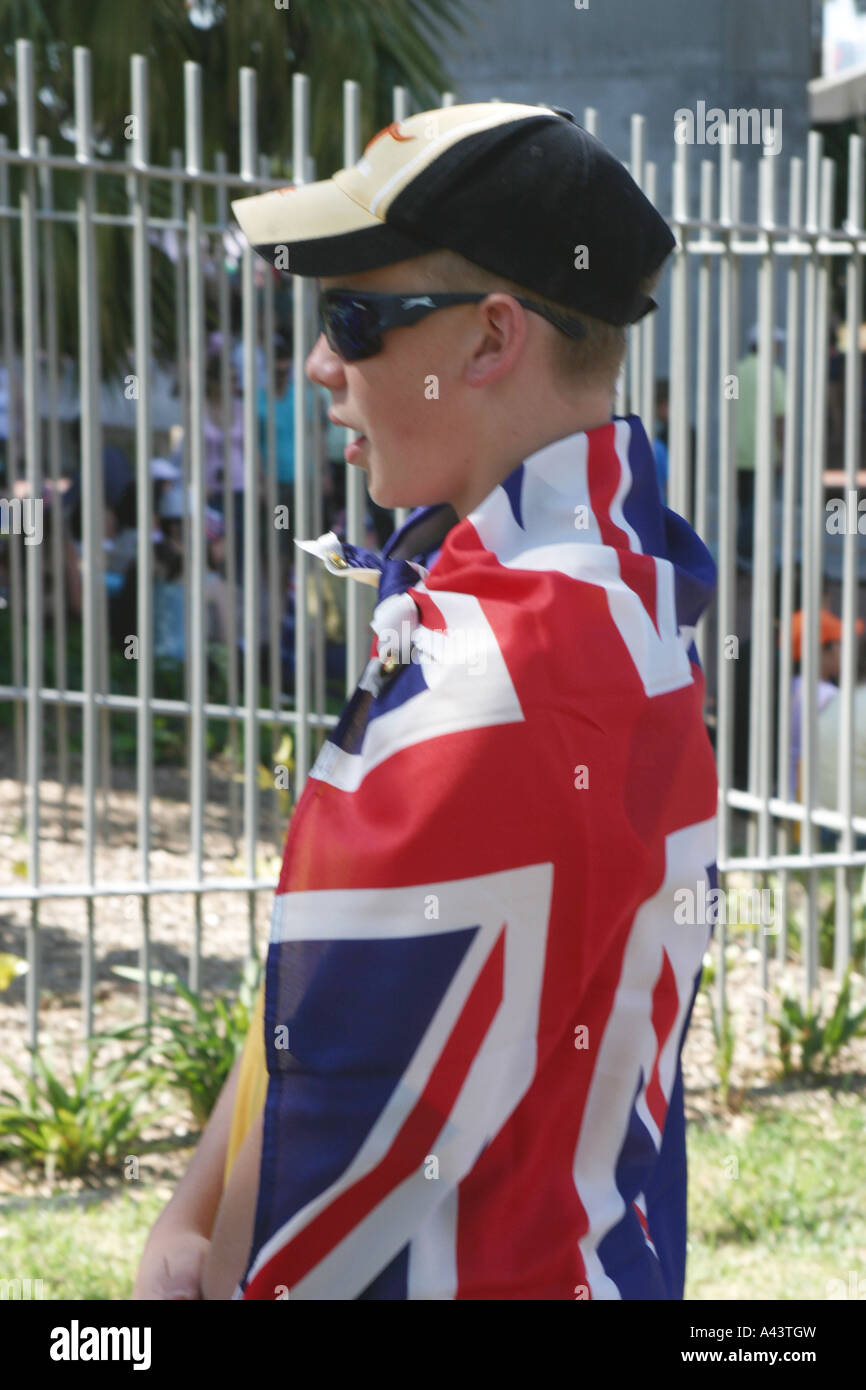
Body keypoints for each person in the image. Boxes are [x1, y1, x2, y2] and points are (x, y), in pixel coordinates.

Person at [134, 100, 718, 1303]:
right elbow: (318, 998)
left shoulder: (482, 670)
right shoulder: (626, 579)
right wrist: (189, 1208)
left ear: (491, 339)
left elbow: (330, 1127)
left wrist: (196, 1258)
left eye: (354, 317)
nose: (318, 365)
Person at [734, 324, 786, 565]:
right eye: (777, 344)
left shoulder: (734, 372)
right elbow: (779, 418)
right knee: (756, 509)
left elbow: (727, 405)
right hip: (762, 453)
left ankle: (741, 555)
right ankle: (745, 557)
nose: (779, 349)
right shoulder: (774, 374)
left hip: (736, 452)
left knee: (744, 506)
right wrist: (783, 451)